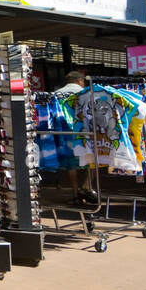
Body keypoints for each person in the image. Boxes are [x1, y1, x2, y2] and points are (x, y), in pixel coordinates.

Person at [55, 70, 92, 202]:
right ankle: (86, 187)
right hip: (83, 131)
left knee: (71, 164)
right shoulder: (86, 92)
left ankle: (76, 193)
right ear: (80, 81)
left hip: (64, 132)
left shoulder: (56, 94)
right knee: (92, 160)